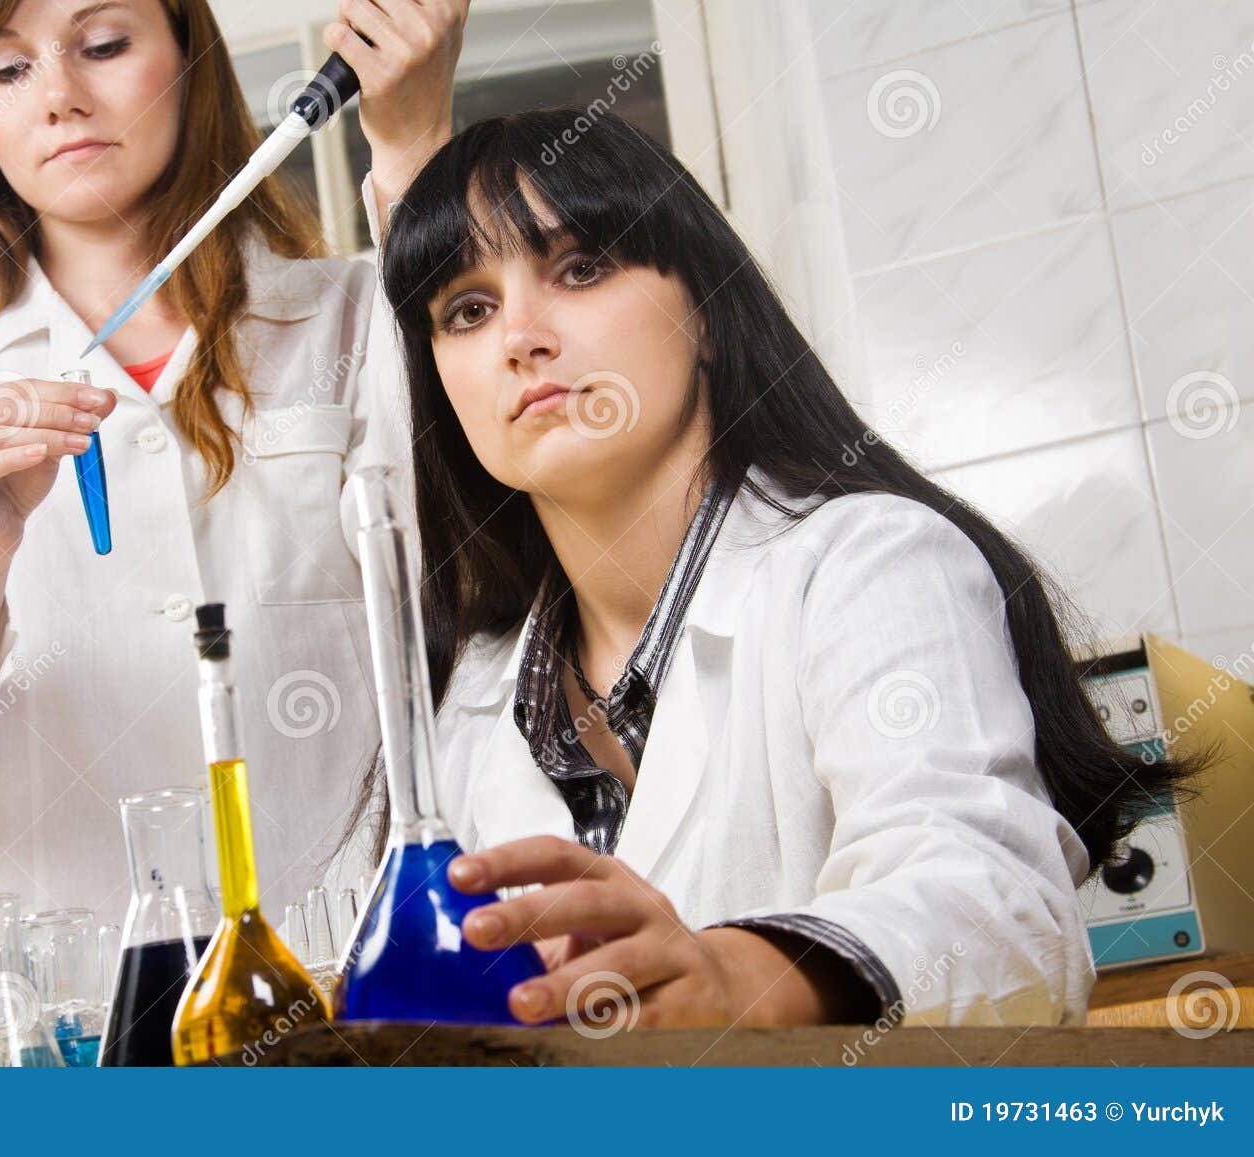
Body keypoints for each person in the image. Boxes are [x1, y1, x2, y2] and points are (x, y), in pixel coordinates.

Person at [359, 109, 1204, 1028]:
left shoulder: (870, 565)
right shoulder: (469, 702)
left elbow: (994, 907)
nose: (519, 336)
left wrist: (735, 977)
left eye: (580, 267)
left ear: (708, 313)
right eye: (467, 311)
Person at [0, 0, 466, 1064]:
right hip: (65, 1032)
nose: (60, 94)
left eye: (104, 46)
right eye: (7, 72)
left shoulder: (356, 317)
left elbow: (489, 594)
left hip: (348, 1008)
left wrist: (413, 140)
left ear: (189, 64)